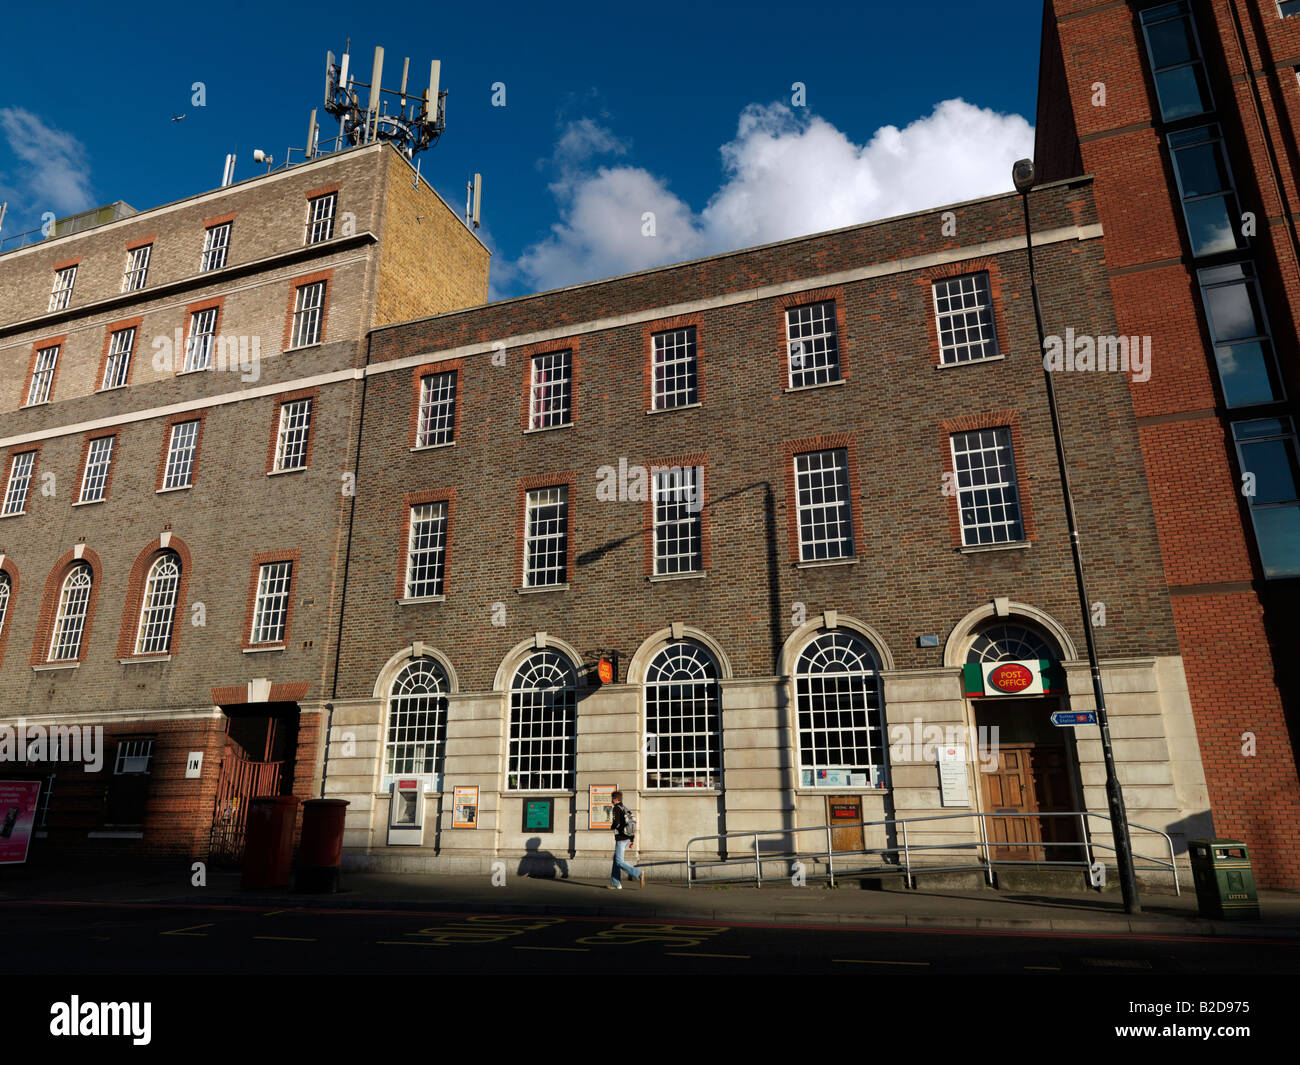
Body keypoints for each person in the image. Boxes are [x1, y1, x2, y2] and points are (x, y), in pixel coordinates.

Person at [608, 791, 644, 889]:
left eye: (612, 798)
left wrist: (612, 826)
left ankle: (638, 873)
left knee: (619, 861)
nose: (611, 800)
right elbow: (632, 824)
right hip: (628, 837)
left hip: (621, 838)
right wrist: (632, 839)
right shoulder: (625, 808)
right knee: (616, 860)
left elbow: (616, 823)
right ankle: (615, 883)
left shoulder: (616, 808)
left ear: (615, 799)